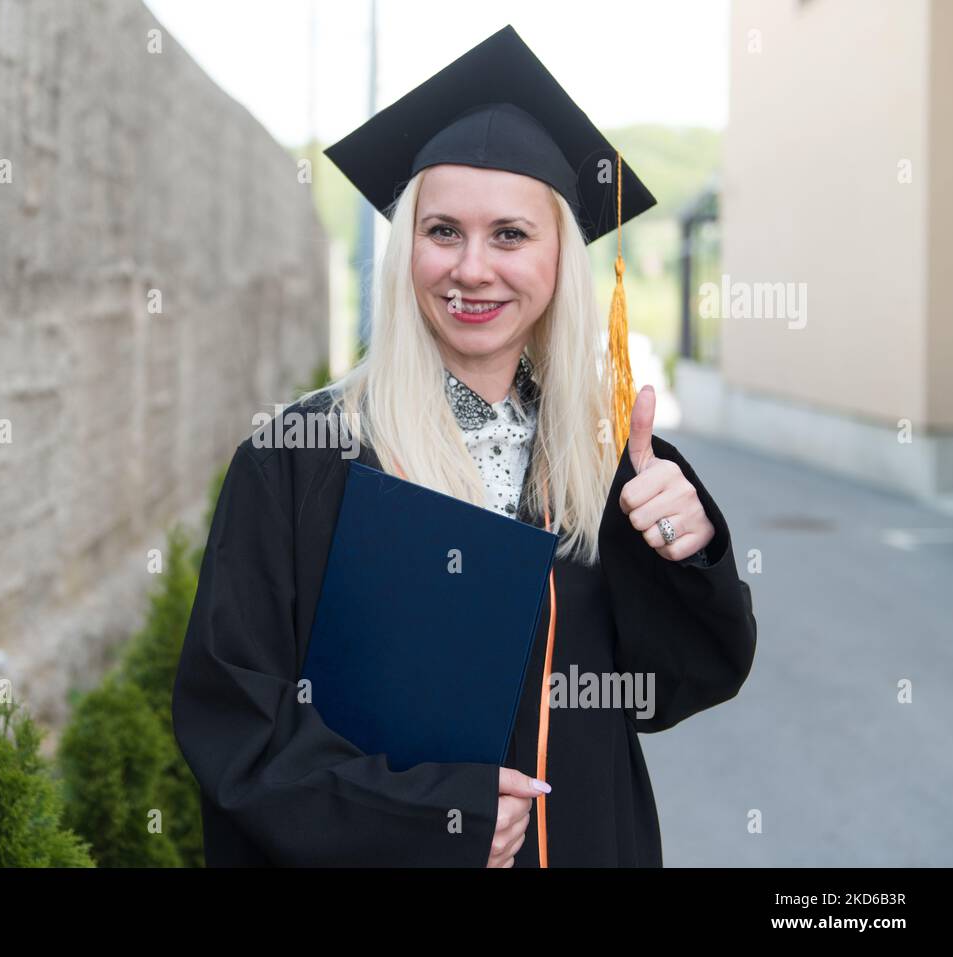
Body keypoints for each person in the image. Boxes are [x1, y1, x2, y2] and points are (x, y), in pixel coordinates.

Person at [170, 25, 756, 867]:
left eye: (511, 235)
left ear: (561, 258)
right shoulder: (301, 458)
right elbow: (235, 728)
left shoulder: (606, 462)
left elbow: (674, 687)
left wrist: (687, 556)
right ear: (406, 247)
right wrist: (431, 821)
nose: (472, 268)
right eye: (443, 230)